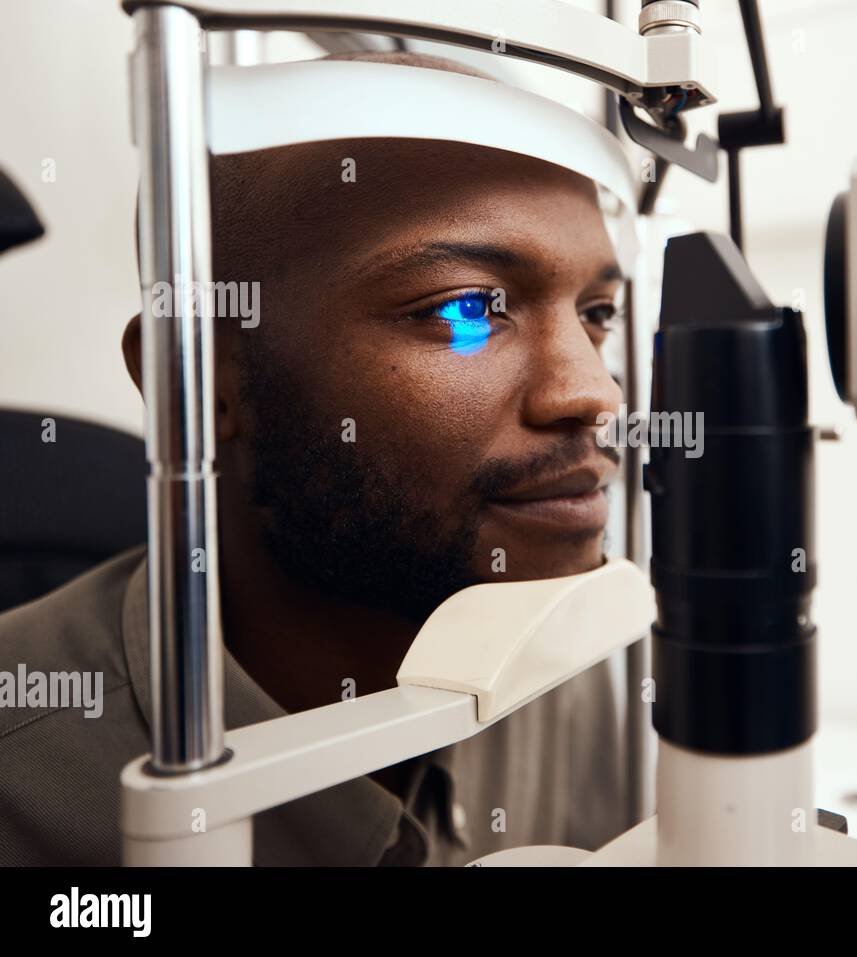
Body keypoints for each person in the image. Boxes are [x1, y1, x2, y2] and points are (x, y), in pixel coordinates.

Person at [0, 51, 630, 866]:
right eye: (467, 309)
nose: (593, 392)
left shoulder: (566, 668)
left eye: (597, 311)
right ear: (194, 382)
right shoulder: (25, 796)